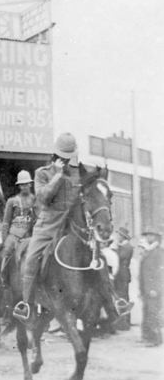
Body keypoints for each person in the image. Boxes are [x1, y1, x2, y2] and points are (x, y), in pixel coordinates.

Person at [13, 133, 132, 320]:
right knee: (31, 258)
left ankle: (114, 300)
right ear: (55, 156)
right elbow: (43, 197)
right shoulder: (42, 173)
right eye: (62, 157)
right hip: (48, 226)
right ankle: (26, 304)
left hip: (71, 225)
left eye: (68, 157)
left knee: (97, 255)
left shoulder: (77, 173)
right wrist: (58, 176)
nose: (66, 160)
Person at [0, 170, 37, 287]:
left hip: (29, 234)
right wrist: (4, 239)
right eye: (22, 184)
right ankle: (2, 277)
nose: (24, 187)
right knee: (6, 251)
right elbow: (6, 222)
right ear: (18, 186)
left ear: (30, 184)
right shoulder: (11, 201)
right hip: (14, 234)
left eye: (26, 184)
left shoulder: (35, 200)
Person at [138, 228, 163, 347]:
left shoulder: (158, 252)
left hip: (153, 289)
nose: (147, 237)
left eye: (149, 235)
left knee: (153, 313)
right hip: (146, 289)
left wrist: (155, 289)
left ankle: (156, 339)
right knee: (147, 312)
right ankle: (147, 336)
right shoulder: (149, 251)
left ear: (154, 237)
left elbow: (159, 273)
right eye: (147, 235)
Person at [111, 227, 134, 331]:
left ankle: (125, 324)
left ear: (122, 236)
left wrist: (113, 248)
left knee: (123, 298)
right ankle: (121, 322)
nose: (116, 237)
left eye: (118, 235)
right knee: (120, 298)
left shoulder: (128, 247)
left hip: (123, 276)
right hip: (120, 276)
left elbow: (118, 257)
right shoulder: (122, 246)